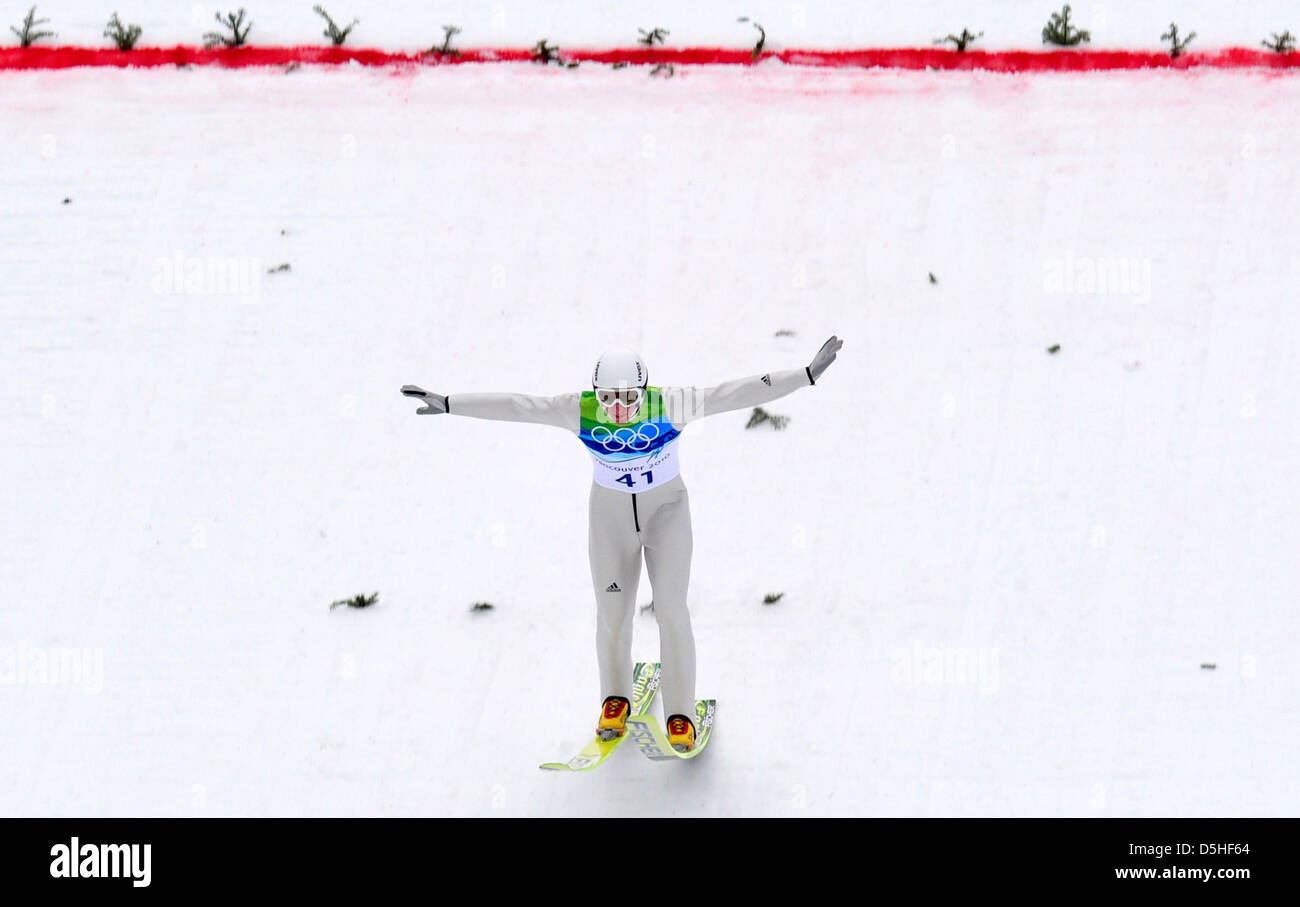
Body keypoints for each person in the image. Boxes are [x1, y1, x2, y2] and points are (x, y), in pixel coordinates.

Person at [402, 335, 842, 751]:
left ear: (644, 390)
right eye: (609, 398)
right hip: (609, 520)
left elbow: (736, 393)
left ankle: (681, 713)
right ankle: (614, 701)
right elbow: (519, 406)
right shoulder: (578, 410)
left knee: (671, 609)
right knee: (612, 614)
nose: (617, 408)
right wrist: (448, 404)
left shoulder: (670, 404)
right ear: (595, 393)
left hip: (667, 514)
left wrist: (804, 374)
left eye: (629, 398)